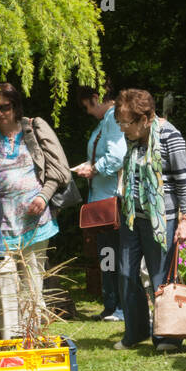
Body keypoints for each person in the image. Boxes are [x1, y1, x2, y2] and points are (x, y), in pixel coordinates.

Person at [0, 82, 69, 339]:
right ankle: (9, 342)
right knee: (3, 283)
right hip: (0, 225)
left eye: (4, 107)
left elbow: (59, 169)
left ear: (16, 107)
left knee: (32, 285)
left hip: (35, 221)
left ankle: (32, 339)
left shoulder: (34, 128)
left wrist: (44, 195)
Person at [111, 89, 186, 351]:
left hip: (161, 220)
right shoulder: (133, 139)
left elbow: (183, 181)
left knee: (161, 278)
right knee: (126, 273)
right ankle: (136, 332)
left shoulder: (171, 136)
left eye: (126, 123)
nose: (122, 128)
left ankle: (167, 337)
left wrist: (185, 220)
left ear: (145, 119)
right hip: (132, 216)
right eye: (120, 123)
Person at [72, 86, 127, 321]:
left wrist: (94, 169)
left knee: (116, 253)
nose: (87, 112)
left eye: (86, 106)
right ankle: (110, 305)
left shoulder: (113, 119)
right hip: (101, 201)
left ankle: (120, 307)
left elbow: (117, 156)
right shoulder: (105, 121)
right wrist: (90, 165)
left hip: (112, 200)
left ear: (95, 98)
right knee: (107, 254)